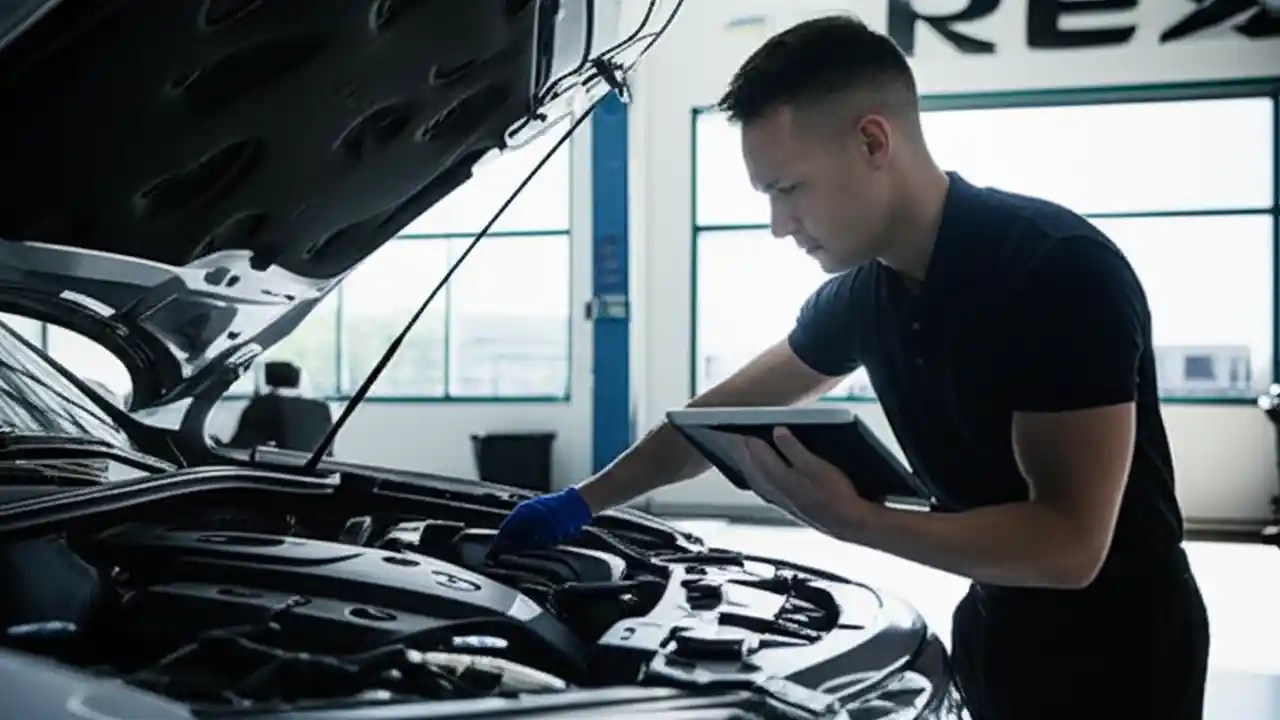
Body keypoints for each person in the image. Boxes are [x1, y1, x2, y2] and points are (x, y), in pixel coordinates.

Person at [490, 15, 1209, 719]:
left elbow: (1068, 546)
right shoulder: (862, 297)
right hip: (994, 622)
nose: (778, 225)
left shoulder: (1055, 272)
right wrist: (583, 502)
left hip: (1122, 657)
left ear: (872, 141)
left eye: (789, 189)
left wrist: (853, 520)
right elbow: (712, 420)